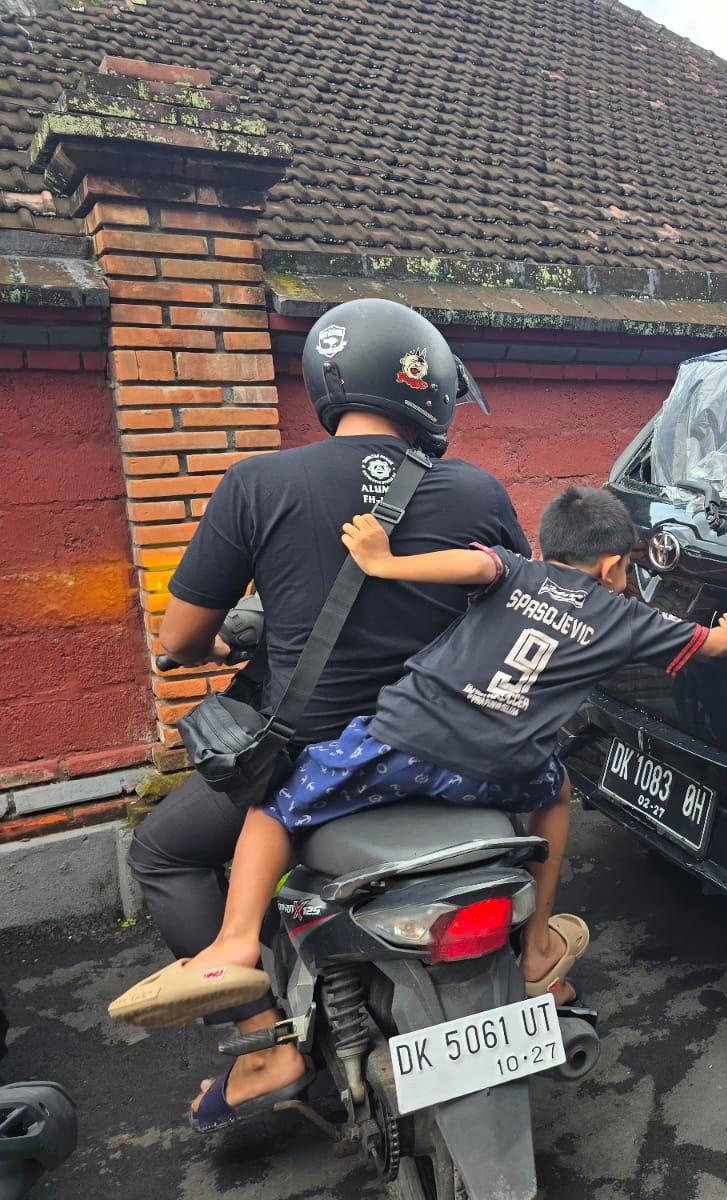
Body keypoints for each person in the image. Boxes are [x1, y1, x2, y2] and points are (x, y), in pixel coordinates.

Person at [111, 488, 727, 1026]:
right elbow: (714, 645)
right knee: (557, 794)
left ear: (546, 546)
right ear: (613, 566)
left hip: (403, 745)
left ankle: (233, 942)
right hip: (501, 771)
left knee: (273, 807)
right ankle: (535, 948)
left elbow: (470, 570)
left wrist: (383, 562)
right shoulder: (624, 617)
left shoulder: (514, 570)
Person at [125, 298, 532, 1131]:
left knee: (160, 852)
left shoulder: (258, 482)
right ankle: (541, 976)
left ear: (328, 381)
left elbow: (180, 637)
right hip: (454, 752)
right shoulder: (480, 489)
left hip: (309, 761)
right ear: (428, 389)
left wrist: (233, 640)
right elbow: (521, 613)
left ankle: (263, 1039)